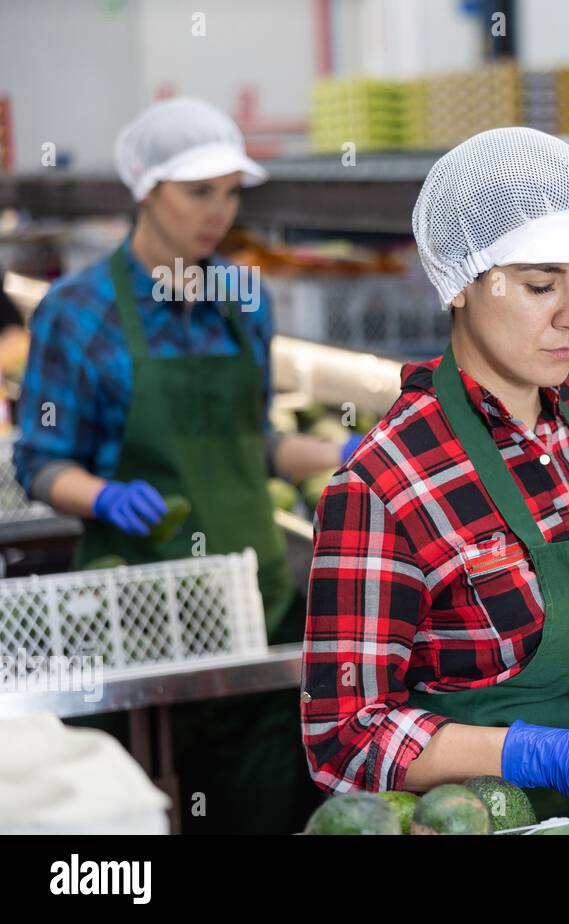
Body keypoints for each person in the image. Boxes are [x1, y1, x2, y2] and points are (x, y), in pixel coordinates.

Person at [302, 127, 569, 823]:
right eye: (541, 283)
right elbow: (345, 740)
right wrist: (535, 754)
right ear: (458, 285)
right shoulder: (387, 481)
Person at [14, 97, 359, 833]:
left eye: (232, 192)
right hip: (137, 611)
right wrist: (103, 497)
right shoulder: (80, 310)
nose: (219, 211)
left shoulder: (243, 299)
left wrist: (339, 455)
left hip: (255, 600)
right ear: (146, 188)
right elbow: (42, 461)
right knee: (140, 815)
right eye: (199, 191)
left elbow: (256, 439)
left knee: (263, 807)